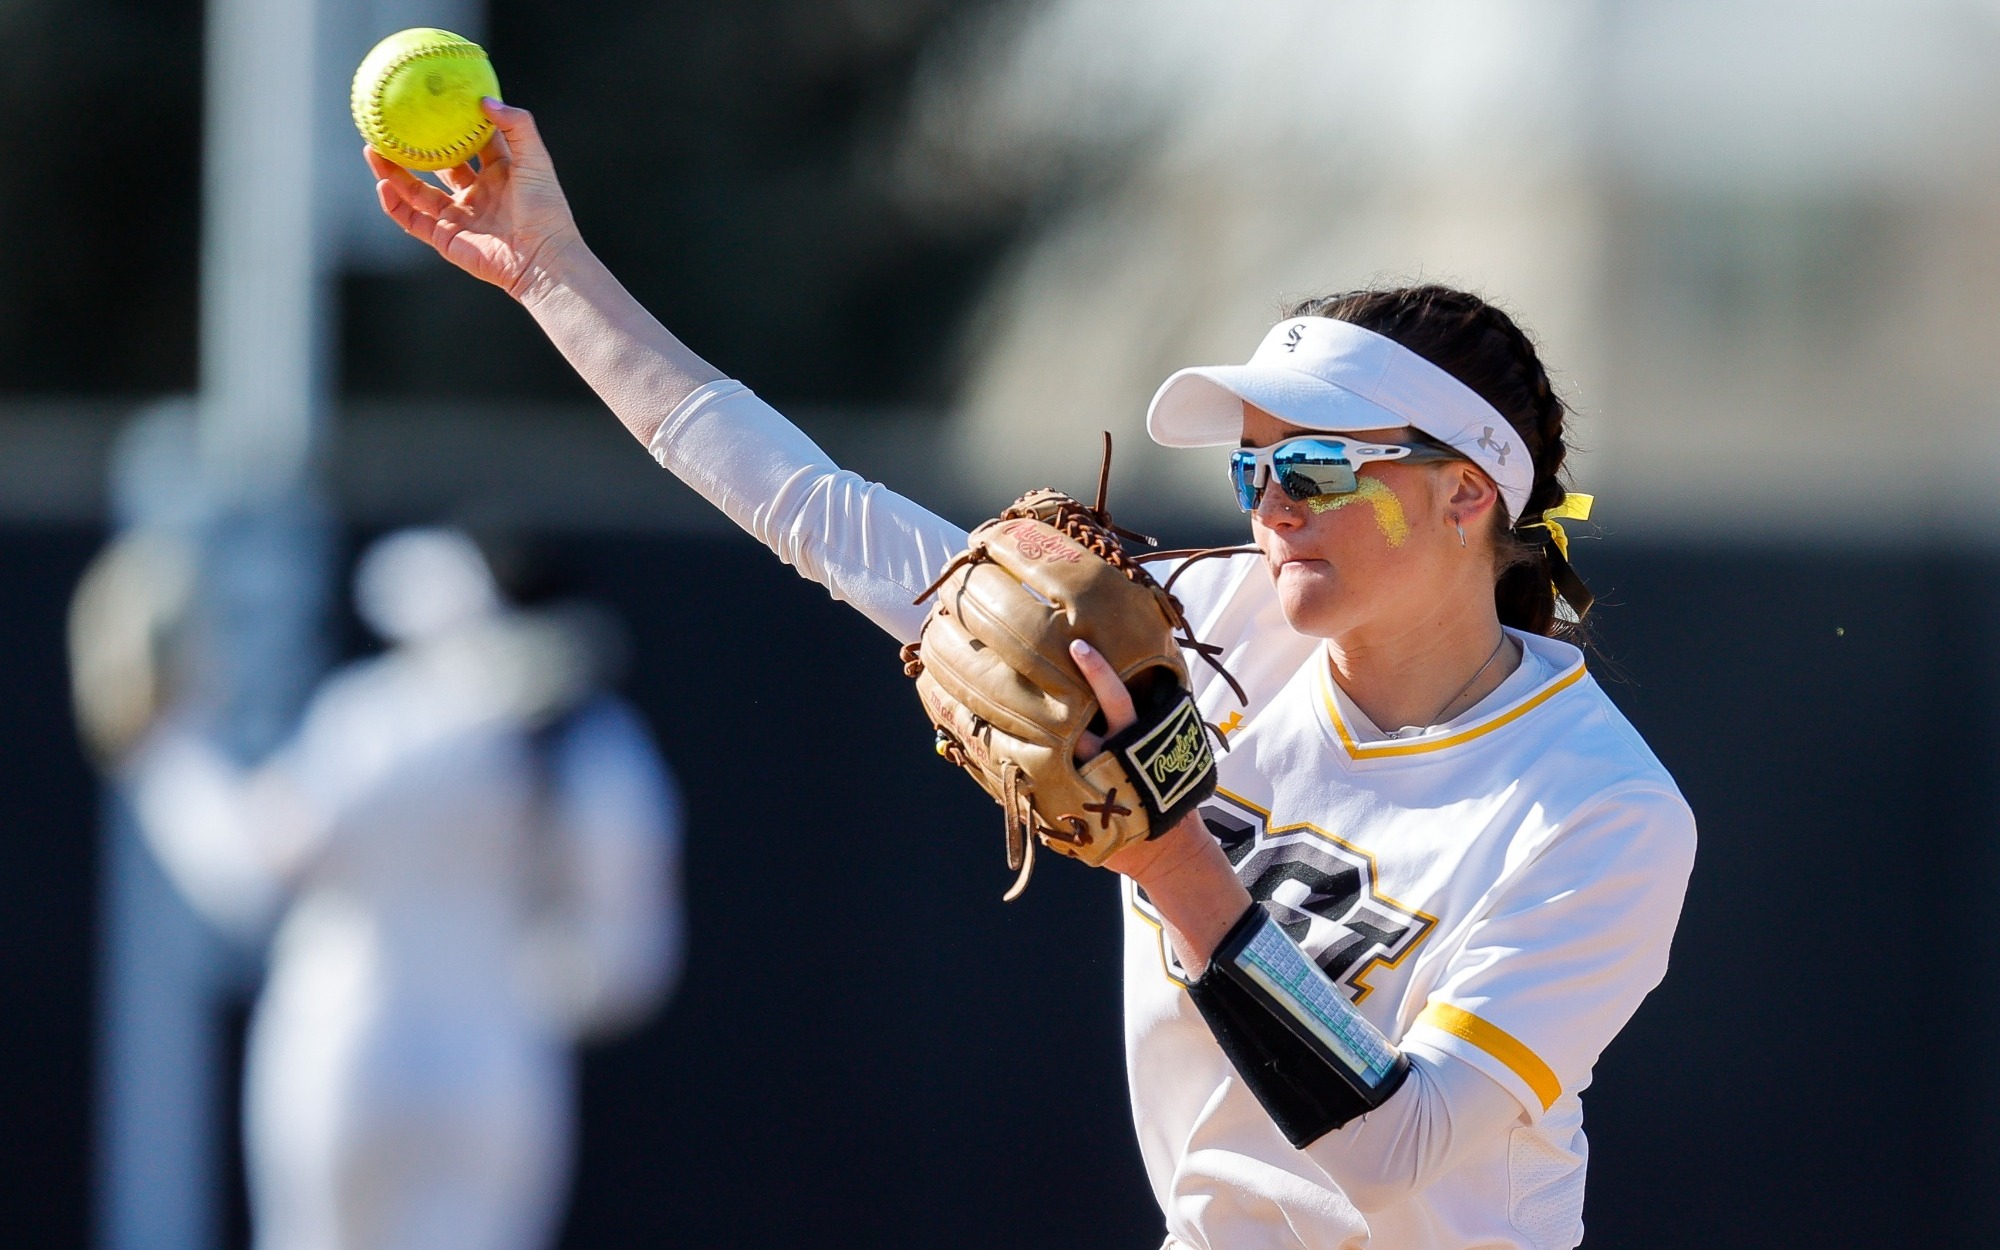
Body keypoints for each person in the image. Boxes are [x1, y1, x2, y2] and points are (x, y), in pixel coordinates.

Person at [365, 103, 1695, 1250]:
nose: (1271, 503)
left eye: (1318, 467)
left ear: (1468, 495)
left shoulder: (1594, 810)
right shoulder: (1201, 629)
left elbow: (1400, 1148)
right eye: (1255, 467)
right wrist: (550, 269)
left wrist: (1179, 864)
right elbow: (821, 513)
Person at [80, 526, 683, 1250]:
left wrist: (162, 748)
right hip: (497, 1064)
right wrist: (513, 980)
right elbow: (625, 965)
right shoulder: (601, 748)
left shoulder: (386, 718)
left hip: (347, 1046)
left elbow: (250, 867)